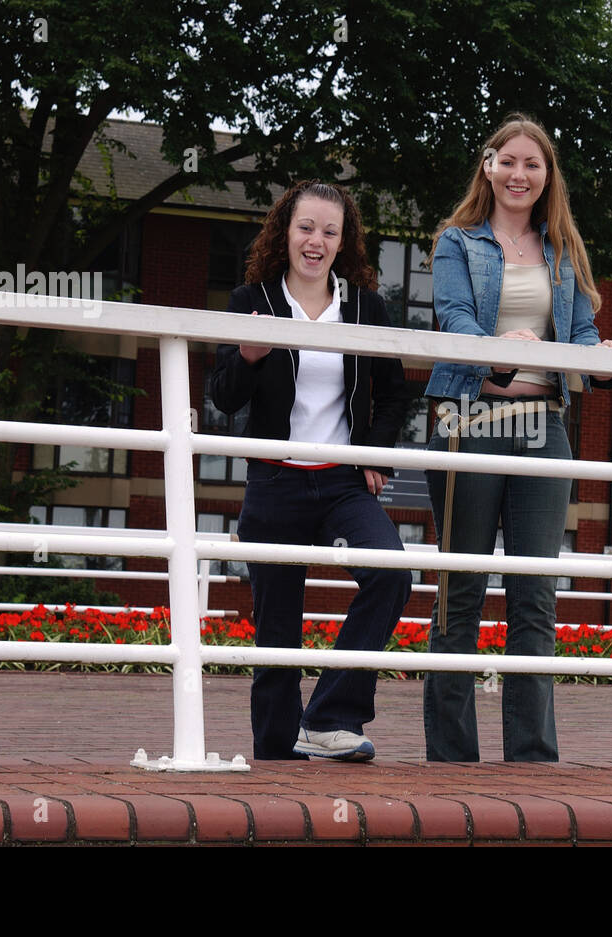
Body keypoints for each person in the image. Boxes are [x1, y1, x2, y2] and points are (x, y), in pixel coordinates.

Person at [422, 114, 612, 762]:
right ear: (488, 169)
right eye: (506, 161)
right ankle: (452, 757)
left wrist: (602, 357)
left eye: (532, 164)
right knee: (461, 591)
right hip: (472, 418)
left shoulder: (563, 250)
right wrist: (496, 346)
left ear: (547, 176)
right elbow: (455, 316)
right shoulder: (458, 242)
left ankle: (532, 757)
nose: (519, 173)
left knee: (534, 596)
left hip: (543, 426)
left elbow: (579, 336)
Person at [208, 180, 412, 762]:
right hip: (274, 481)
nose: (316, 241)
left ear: (343, 241)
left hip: (342, 483)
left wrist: (374, 451)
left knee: (391, 574)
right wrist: (247, 359)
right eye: (306, 228)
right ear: (284, 231)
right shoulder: (253, 299)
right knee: (278, 631)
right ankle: (276, 757)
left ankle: (328, 717)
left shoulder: (366, 306)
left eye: (329, 231)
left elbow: (396, 392)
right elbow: (223, 396)